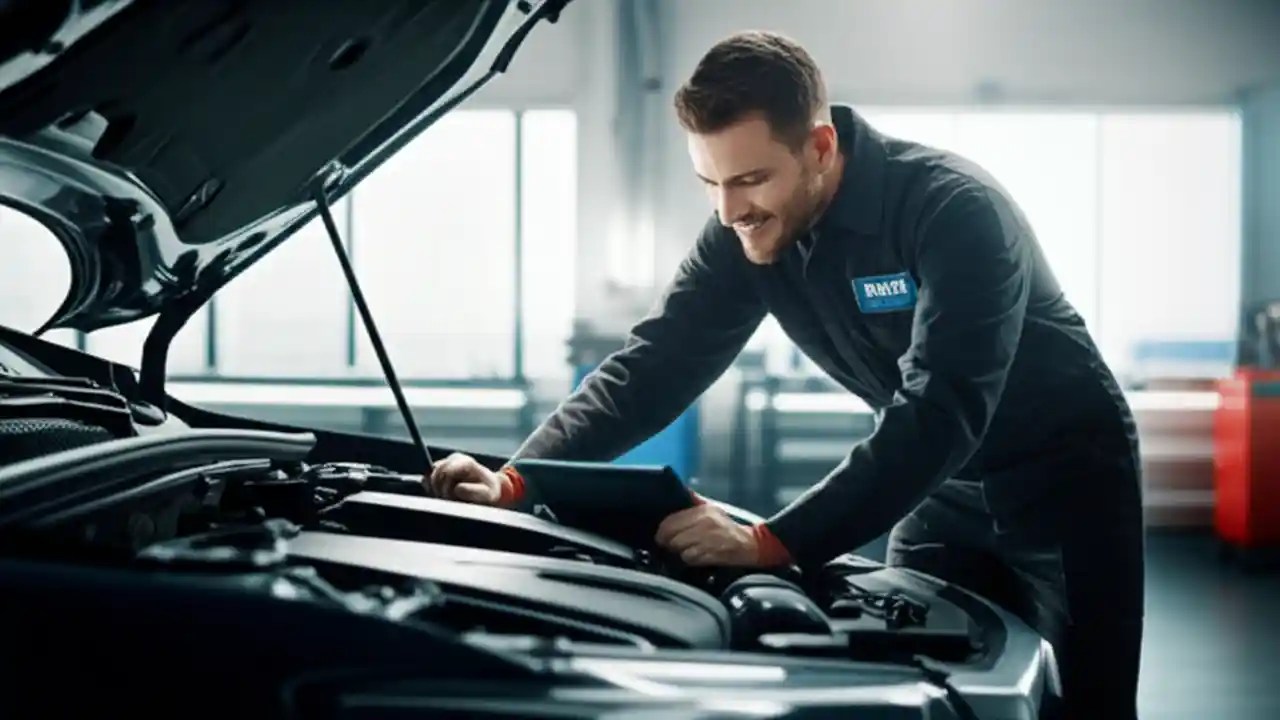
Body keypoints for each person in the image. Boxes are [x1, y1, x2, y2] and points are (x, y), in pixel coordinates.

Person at [427, 30, 1144, 718]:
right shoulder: (742, 229)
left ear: (821, 147)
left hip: (1064, 483)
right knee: (919, 684)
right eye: (709, 182)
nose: (729, 209)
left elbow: (943, 404)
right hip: (937, 490)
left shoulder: (954, 209)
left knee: (1086, 703)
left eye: (749, 179)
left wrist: (776, 540)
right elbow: (656, 362)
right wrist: (518, 480)